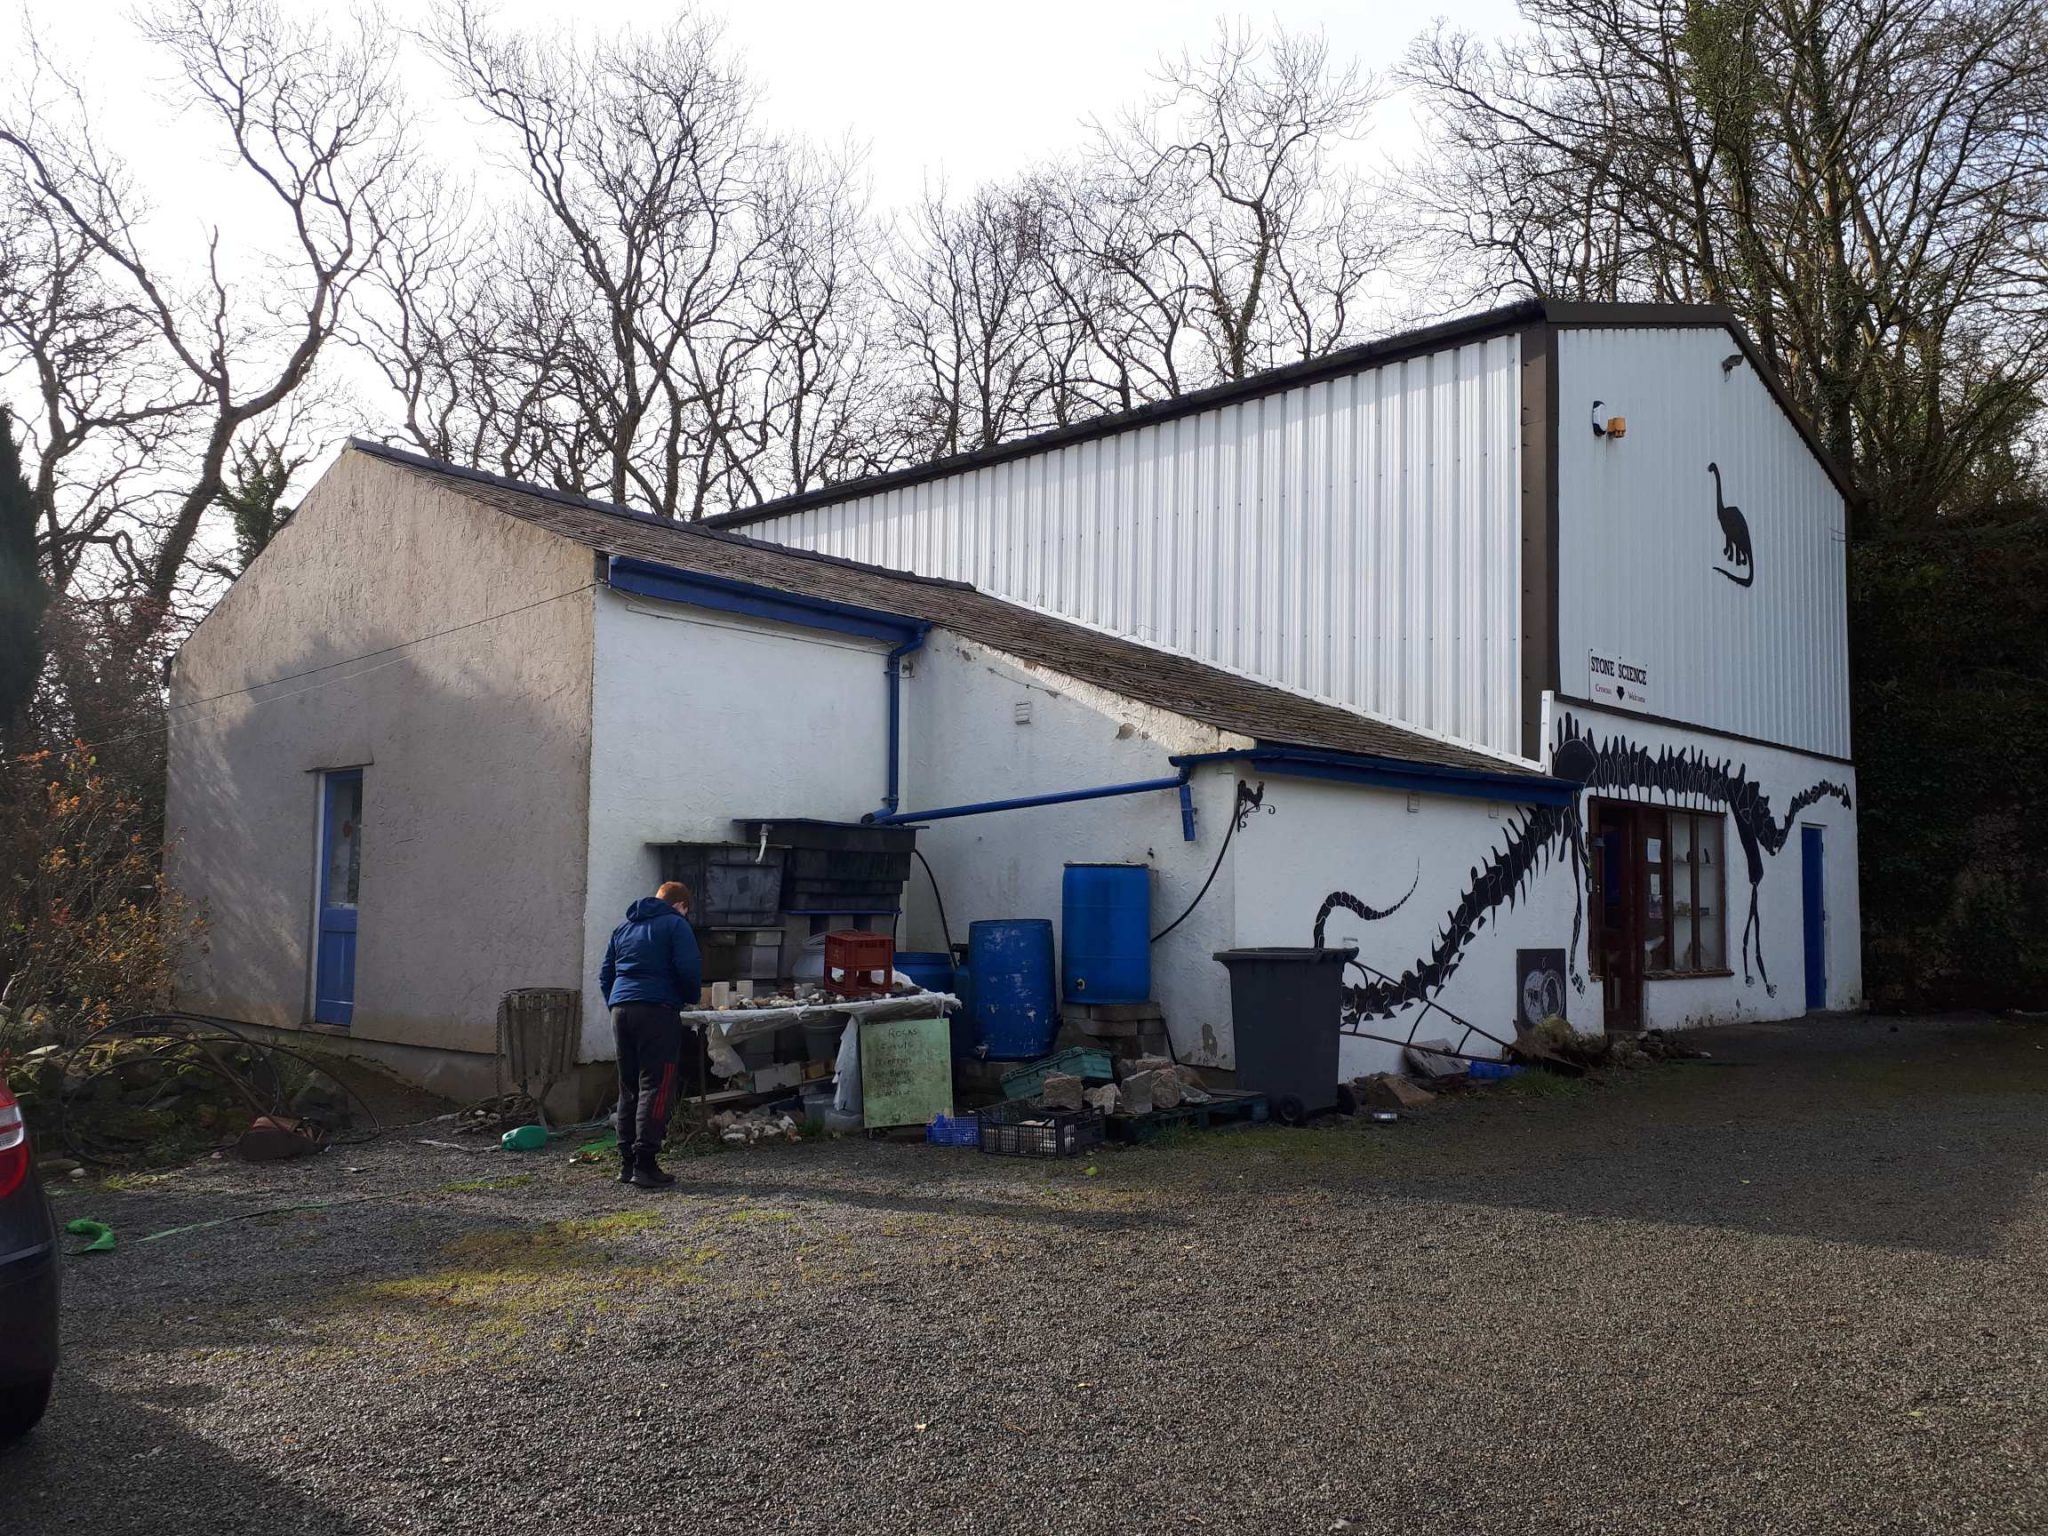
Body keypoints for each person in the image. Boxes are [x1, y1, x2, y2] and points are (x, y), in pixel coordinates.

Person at [599, 880, 703, 1189]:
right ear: (680, 905)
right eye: (687, 910)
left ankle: (626, 1162)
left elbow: (606, 974)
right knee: (656, 1085)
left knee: (629, 1086)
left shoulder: (622, 928)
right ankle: (646, 1163)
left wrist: (616, 1003)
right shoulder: (676, 924)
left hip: (621, 1010)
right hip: (657, 1010)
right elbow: (688, 967)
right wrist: (688, 997)